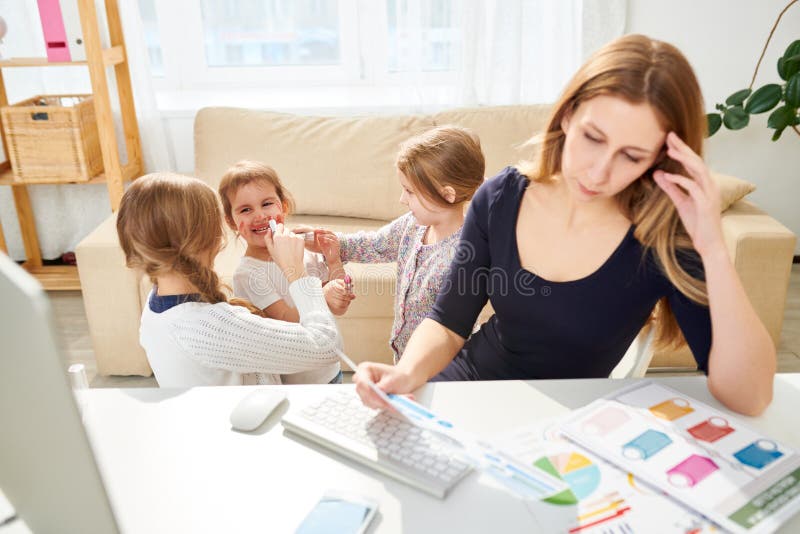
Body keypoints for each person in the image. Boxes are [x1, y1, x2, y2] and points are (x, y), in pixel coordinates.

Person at [354, 34, 776, 416]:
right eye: (593, 137)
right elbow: (448, 323)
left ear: (660, 159)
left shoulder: (663, 238)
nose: (598, 172)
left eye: (631, 156)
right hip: (471, 388)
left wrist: (713, 249)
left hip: (572, 420)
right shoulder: (500, 198)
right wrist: (407, 373)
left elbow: (749, 397)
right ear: (568, 115)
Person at [116, 172, 341, 388]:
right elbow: (327, 347)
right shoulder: (208, 327)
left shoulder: (157, 307)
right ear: (209, 237)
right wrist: (295, 272)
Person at [309, 125, 486, 363]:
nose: (402, 199)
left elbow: (452, 331)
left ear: (447, 194)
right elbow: (373, 245)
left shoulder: (462, 257)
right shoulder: (413, 225)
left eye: (410, 192)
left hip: (441, 366)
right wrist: (327, 242)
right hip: (404, 358)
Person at [218, 160, 352, 384]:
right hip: (298, 382)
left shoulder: (302, 250)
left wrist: (333, 259)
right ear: (232, 221)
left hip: (329, 370)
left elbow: (338, 307)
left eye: (267, 203)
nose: (259, 215)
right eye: (246, 209)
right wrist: (323, 293)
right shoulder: (248, 274)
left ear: (284, 206)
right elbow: (290, 323)